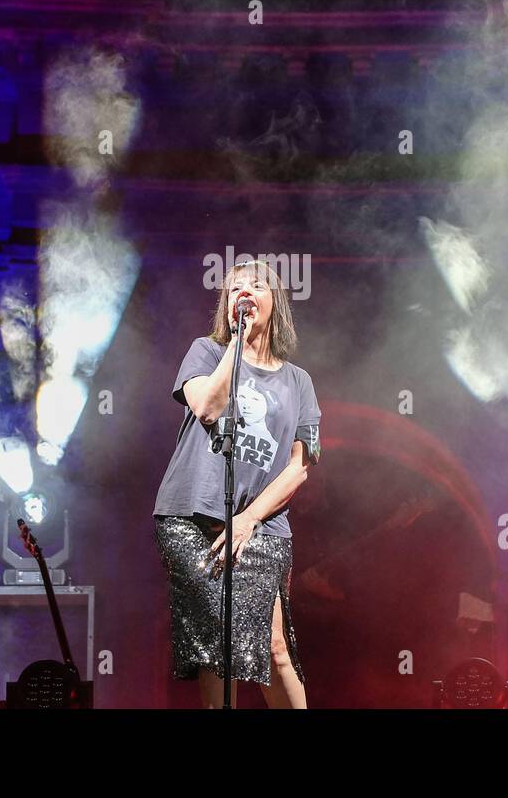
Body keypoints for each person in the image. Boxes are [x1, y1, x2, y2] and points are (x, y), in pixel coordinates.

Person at [153, 259, 321, 708]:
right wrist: (237, 343)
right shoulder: (206, 352)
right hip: (190, 516)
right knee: (212, 647)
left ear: (275, 302)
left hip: (261, 525)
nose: (245, 292)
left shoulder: (298, 381)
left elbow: (298, 467)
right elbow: (207, 408)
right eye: (235, 289)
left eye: (256, 286)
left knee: (274, 646)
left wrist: (247, 518)